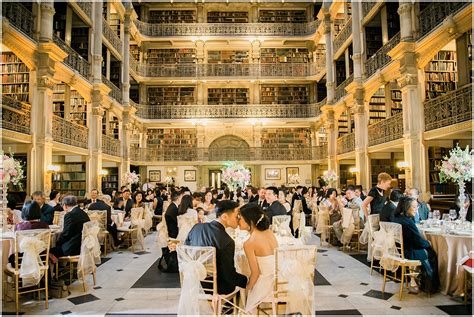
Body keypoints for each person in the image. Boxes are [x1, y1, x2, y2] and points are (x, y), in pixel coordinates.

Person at [185, 200, 247, 295]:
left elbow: (186, 251)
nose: (239, 219)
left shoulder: (196, 227)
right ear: (224, 217)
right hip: (218, 287)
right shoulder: (227, 241)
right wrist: (247, 280)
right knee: (242, 286)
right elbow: (229, 276)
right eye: (236, 216)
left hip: (194, 283)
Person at [392, 196, 440, 294]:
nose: (416, 210)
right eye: (414, 207)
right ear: (406, 208)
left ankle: (419, 281)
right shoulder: (407, 222)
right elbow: (418, 241)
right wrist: (428, 243)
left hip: (399, 251)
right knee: (432, 253)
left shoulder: (396, 217)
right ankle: (431, 286)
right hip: (409, 253)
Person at [238, 203, 278, 313]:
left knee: (244, 303)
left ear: (249, 221)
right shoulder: (269, 232)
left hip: (265, 283)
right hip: (278, 279)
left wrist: (247, 289)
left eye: (240, 218)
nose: (238, 222)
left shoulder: (249, 243)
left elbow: (255, 273)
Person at [158, 191, 183, 273]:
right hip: (173, 233)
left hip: (172, 231)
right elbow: (177, 223)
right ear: (178, 198)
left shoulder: (173, 206)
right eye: (181, 197)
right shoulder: (173, 209)